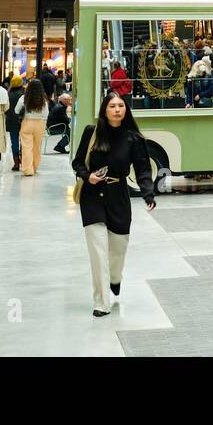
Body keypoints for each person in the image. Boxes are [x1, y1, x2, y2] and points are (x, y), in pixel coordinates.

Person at [73, 91, 155, 316]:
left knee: (118, 249)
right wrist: (87, 176)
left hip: (118, 196)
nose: (117, 109)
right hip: (92, 197)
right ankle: (101, 302)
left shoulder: (133, 138)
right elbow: (78, 162)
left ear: (126, 110)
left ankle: (115, 278)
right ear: (104, 110)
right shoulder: (92, 132)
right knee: (98, 252)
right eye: (112, 106)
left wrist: (148, 193)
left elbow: (143, 168)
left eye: (121, 105)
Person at [16, 79, 50, 177]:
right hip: (40, 123)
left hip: (27, 122)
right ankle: (34, 166)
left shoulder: (24, 98)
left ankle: (27, 169)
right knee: (36, 147)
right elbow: (46, 113)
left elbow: (16, 110)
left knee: (26, 147)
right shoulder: (43, 99)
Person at [6, 73, 25, 172]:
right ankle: (25, 161)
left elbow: (6, 109)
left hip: (11, 121)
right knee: (24, 141)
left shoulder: (8, 94)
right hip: (23, 120)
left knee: (14, 142)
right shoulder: (24, 94)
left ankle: (16, 162)